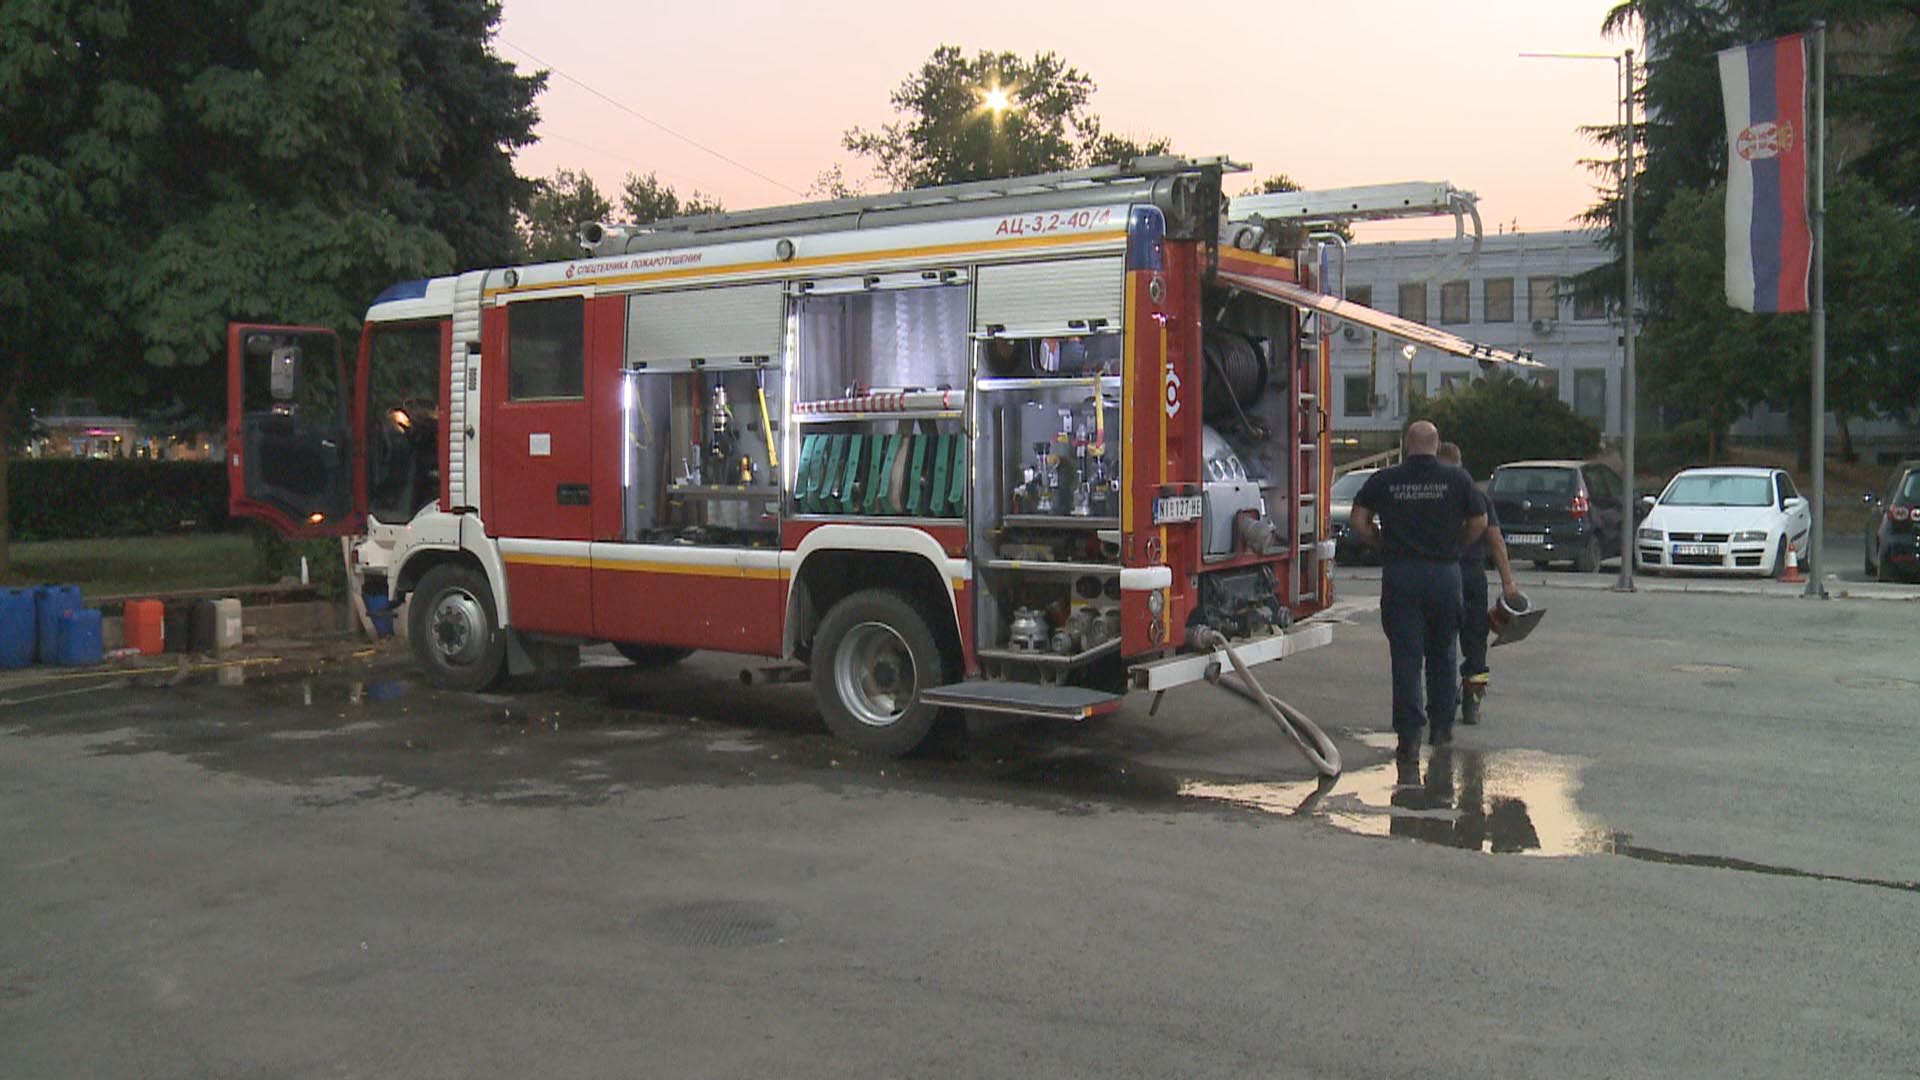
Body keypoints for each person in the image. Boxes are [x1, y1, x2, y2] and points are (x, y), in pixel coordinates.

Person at [1349, 421, 1487, 758]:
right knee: (1443, 652)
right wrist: (1456, 546)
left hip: (1402, 575)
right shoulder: (1457, 479)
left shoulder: (1385, 480)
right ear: (1436, 446)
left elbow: (1357, 520)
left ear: (1406, 445)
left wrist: (1381, 542)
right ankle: (1441, 727)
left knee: (1406, 657)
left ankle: (1409, 735)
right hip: (1444, 574)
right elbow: (1480, 522)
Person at [1436, 442, 1521, 725]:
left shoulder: (1433, 495)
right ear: (1461, 465)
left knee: (1441, 638)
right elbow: (1495, 541)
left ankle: (1444, 698)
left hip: (1441, 574)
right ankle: (1472, 702)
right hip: (1472, 576)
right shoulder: (1478, 497)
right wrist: (1508, 582)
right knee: (1474, 642)